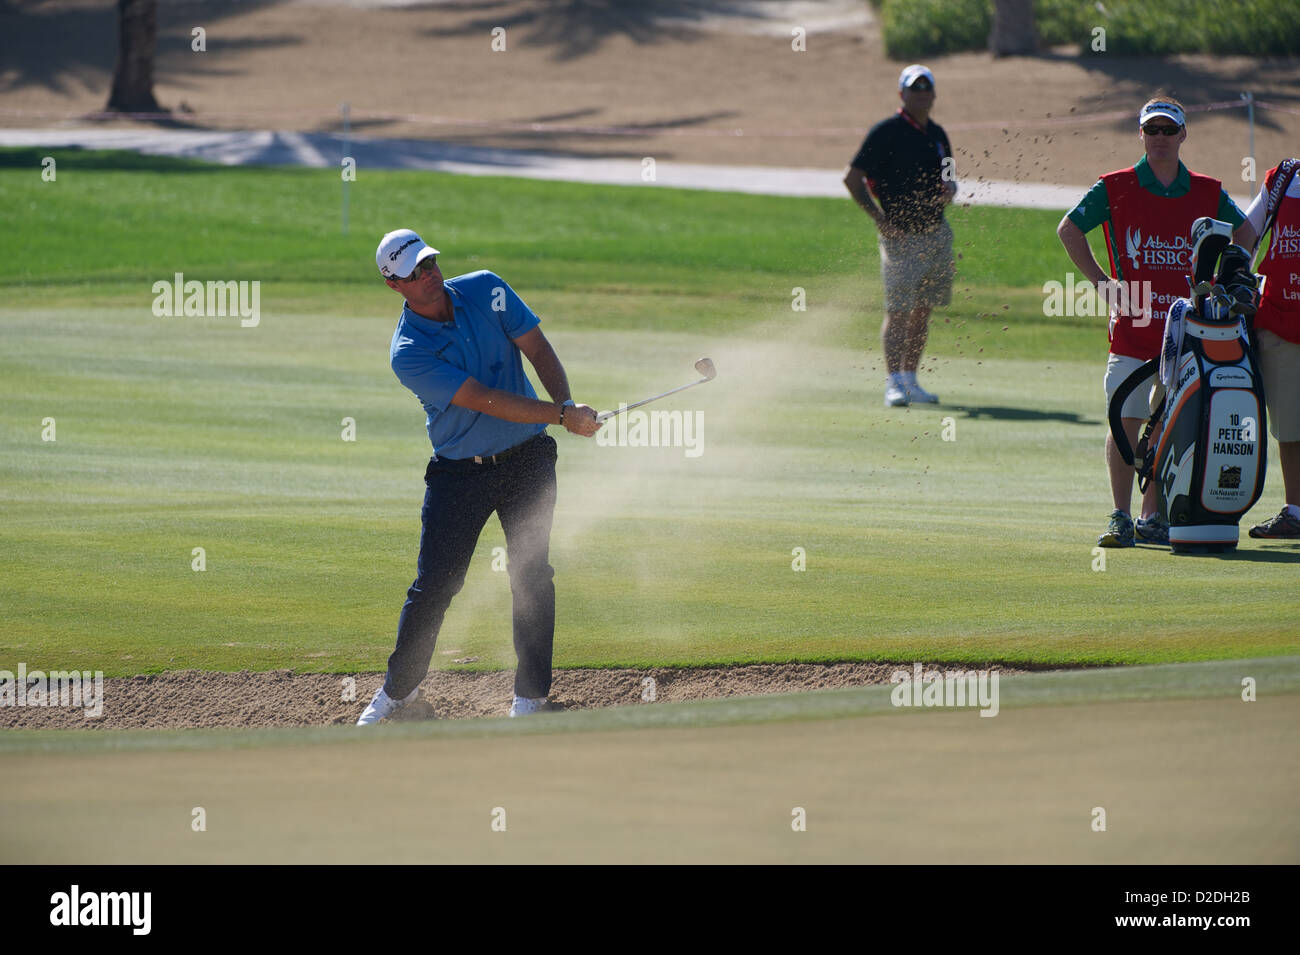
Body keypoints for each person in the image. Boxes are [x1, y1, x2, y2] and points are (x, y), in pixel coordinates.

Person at [357, 229, 601, 724]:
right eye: (415, 274)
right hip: (459, 475)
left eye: (429, 264)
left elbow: (537, 348)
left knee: (532, 575)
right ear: (394, 285)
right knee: (435, 587)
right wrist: (560, 417)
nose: (429, 276)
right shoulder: (407, 352)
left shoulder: (487, 288)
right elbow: (485, 399)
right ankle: (398, 693)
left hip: (528, 460)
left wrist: (567, 404)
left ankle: (530, 699)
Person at [1057, 97, 1249, 548]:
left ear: (1183, 135)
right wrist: (1102, 283)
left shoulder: (1206, 190)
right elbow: (1068, 229)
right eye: (1152, 130)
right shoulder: (1115, 185)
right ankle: (1120, 515)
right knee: (1126, 417)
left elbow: (1245, 232)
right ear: (1141, 135)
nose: (1160, 137)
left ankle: (1152, 515)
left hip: (1188, 327)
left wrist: (1227, 279)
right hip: (1134, 320)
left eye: (1168, 130)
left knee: (1170, 422)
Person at [843, 63, 957, 408]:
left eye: (926, 88)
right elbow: (853, 178)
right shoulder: (886, 132)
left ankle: (910, 380)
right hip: (900, 238)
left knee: (923, 310)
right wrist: (880, 219)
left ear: (933, 95)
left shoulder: (938, 134)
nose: (921, 93)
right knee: (898, 311)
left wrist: (949, 188)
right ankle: (893, 383)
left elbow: (949, 173)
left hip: (936, 234)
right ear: (902, 94)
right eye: (914, 88)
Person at [1241, 158, 1300, 538]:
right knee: (1289, 427)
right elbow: (1245, 236)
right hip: (1280, 322)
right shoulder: (1284, 178)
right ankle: (1294, 512)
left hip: (1279, 324)